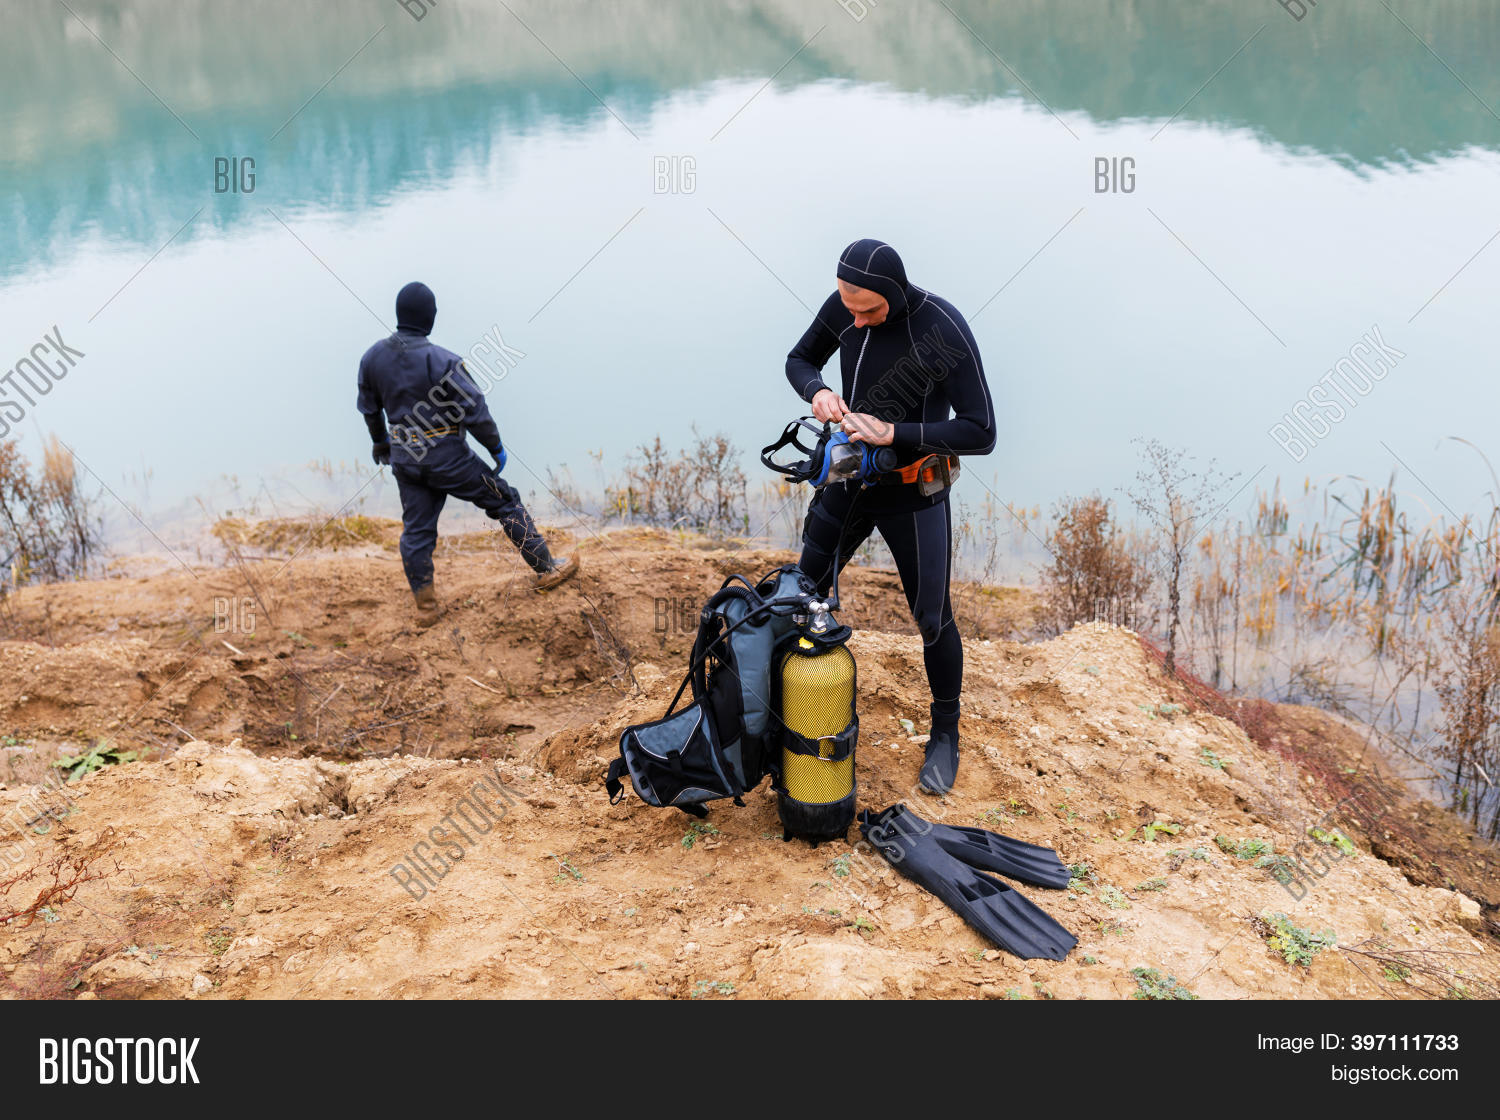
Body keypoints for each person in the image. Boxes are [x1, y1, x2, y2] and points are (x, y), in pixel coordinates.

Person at [786, 239, 994, 793]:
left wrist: (896, 433)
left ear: (895, 295)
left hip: (913, 492)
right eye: (849, 309)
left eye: (869, 312)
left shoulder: (941, 329)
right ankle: (788, 718)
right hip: (852, 477)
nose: (856, 320)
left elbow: (981, 429)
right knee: (800, 593)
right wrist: (819, 391)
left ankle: (945, 734)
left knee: (932, 617)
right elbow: (800, 359)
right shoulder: (848, 303)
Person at [357, 281, 578, 625]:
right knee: (503, 499)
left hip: (405, 457)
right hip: (447, 457)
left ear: (400, 316)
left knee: (416, 530)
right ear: (429, 318)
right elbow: (475, 410)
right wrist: (495, 448)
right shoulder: (443, 360)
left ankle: (426, 607)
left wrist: (381, 443)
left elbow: (370, 410)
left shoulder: (372, 358)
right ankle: (546, 567)